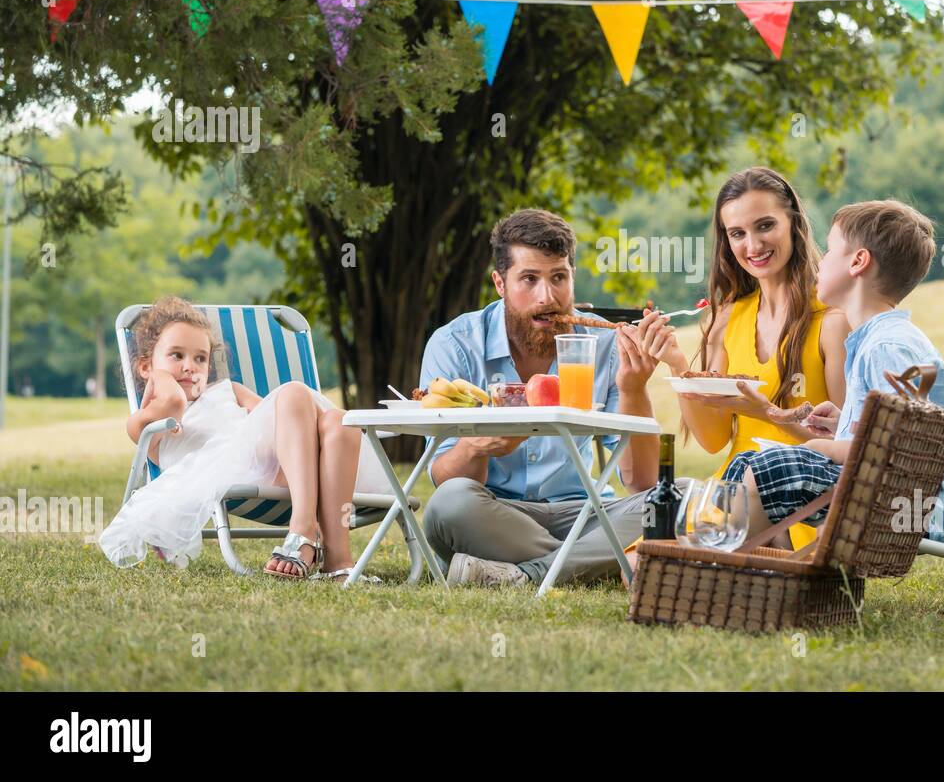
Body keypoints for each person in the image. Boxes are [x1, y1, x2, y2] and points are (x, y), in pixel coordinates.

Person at [419, 208, 665, 588]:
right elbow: (442, 478)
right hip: (495, 513)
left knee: (677, 498)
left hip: (585, 512)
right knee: (449, 505)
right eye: (529, 279)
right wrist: (475, 446)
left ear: (573, 277)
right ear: (500, 283)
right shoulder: (455, 345)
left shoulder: (606, 348)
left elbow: (643, 481)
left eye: (558, 278)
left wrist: (634, 389)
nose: (547, 296)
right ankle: (597, 559)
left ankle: (526, 574)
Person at [721, 199, 944, 544]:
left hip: (912, 506)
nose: (820, 260)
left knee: (770, 469)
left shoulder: (887, 347)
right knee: (746, 464)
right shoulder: (874, 341)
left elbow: (907, 449)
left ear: (858, 262)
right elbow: (890, 430)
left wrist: (822, 449)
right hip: (890, 491)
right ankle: (763, 572)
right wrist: (844, 424)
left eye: (829, 250)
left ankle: (735, 571)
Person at [100, 295, 390, 581]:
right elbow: (173, 404)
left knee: (338, 420)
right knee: (293, 393)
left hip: (289, 468)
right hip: (226, 473)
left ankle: (338, 563)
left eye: (200, 358)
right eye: (177, 355)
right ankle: (303, 528)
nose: (190, 366)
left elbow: (284, 419)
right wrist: (161, 381)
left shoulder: (230, 390)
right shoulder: (144, 421)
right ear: (145, 366)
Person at [635, 167, 849, 551]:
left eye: (765, 225)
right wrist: (679, 366)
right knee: (637, 566)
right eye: (737, 234)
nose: (752, 245)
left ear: (794, 224)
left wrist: (767, 413)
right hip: (730, 491)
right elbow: (713, 439)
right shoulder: (727, 318)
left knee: (682, 568)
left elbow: (848, 444)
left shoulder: (832, 321)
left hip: (800, 505)